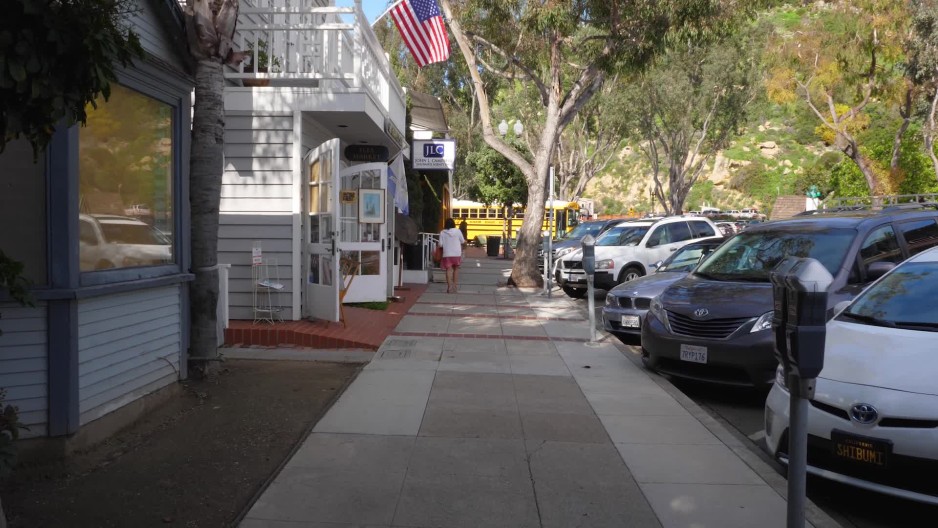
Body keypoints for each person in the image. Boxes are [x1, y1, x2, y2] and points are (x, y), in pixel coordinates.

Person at [439, 217, 466, 293]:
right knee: (456, 269)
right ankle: (455, 286)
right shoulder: (458, 231)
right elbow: (462, 241)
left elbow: (440, 244)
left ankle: (449, 287)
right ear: (454, 224)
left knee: (449, 270)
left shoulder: (442, 232)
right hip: (457, 254)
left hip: (447, 254)